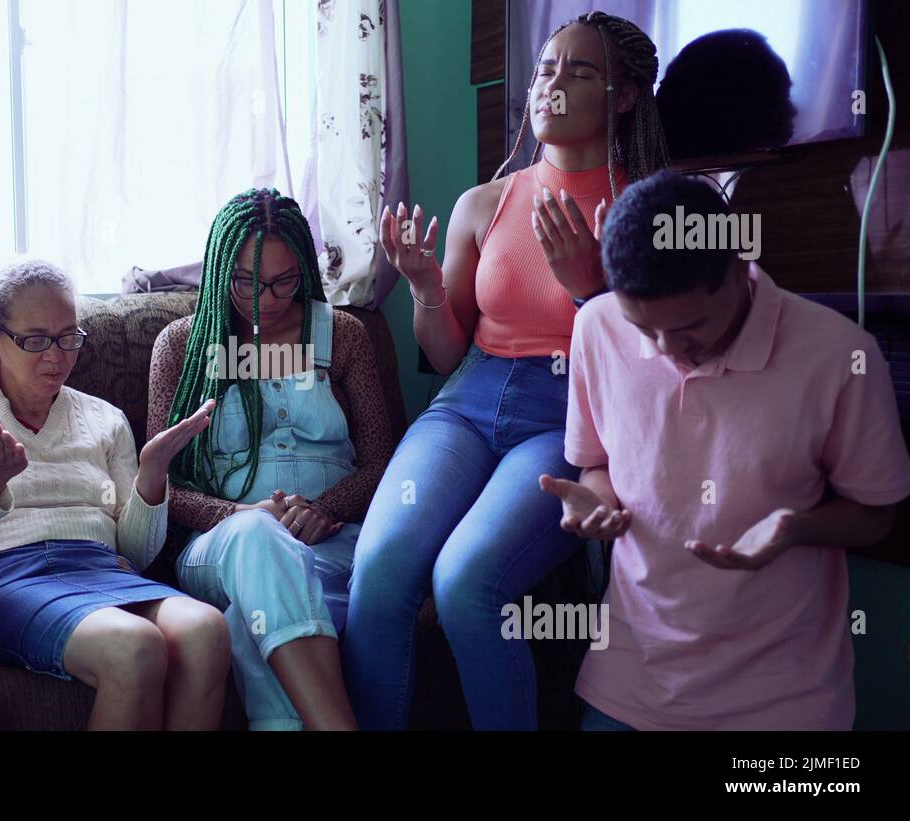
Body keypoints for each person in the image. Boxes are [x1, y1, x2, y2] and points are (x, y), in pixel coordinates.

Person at [345, 11, 670, 729]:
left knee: (467, 582)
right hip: (466, 404)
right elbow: (445, 355)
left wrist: (592, 288)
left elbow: (666, 365)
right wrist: (428, 290)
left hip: (566, 419)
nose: (553, 85)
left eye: (580, 72)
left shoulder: (650, 211)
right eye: (545, 71)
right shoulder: (484, 204)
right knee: (380, 573)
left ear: (623, 97)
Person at [541, 170, 910, 730]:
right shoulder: (597, 325)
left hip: (781, 701)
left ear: (739, 270)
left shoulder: (840, 357)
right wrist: (593, 500)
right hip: (629, 682)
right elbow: (599, 464)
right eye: (645, 328)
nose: (667, 351)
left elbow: (878, 515)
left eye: (689, 328)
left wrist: (797, 528)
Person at [0, 260, 231, 730]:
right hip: (6, 575)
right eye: (35, 340)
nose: (56, 357)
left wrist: (152, 476)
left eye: (69, 337)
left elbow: (136, 551)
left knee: (207, 631)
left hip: (101, 566)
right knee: (134, 646)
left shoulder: (105, 418)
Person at [148, 188, 393, 730]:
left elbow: (382, 464)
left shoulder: (343, 337)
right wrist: (240, 515)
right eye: (247, 282)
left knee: (248, 619)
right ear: (218, 270)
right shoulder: (182, 347)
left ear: (305, 268)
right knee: (259, 542)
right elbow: (160, 487)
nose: (268, 298)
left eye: (285, 280)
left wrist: (323, 508)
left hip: (331, 541)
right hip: (221, 548)